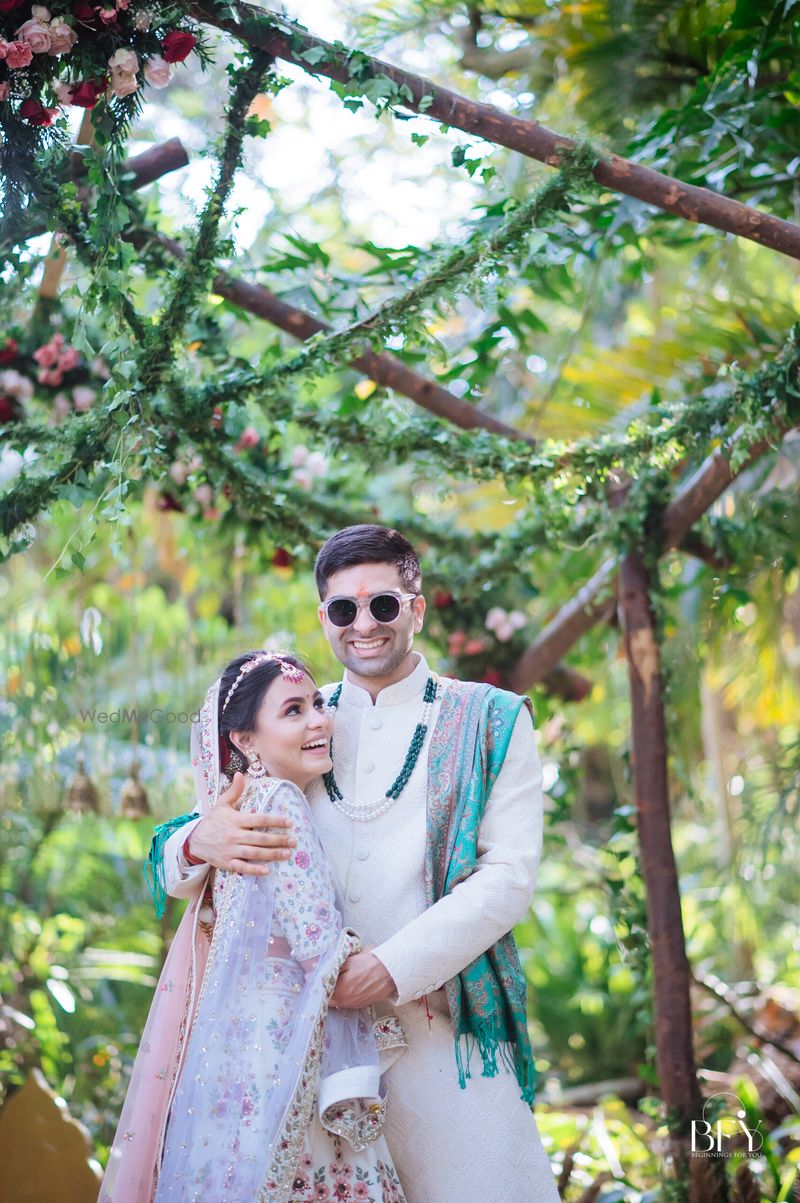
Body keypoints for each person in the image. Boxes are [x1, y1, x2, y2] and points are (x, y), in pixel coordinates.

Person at [154, 525, 560, 1203]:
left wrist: (389, 968)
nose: (364, 624)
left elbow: (509, 876)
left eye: (384, 605)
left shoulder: (489, 720)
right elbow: (183, 840)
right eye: (344, 608)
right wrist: (199, 841)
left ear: (417, 609)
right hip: (307, 1061)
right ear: (324, 618)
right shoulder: (297, 720)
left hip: (440, 1036)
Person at [101, 651, 407, 1203]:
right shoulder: (277, 802)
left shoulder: (239, 807)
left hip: (234, 1053)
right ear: (244, 740)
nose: (319, 720)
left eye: (317, 703)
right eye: (293, 711)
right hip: (288, 1046)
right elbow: (319, 945)